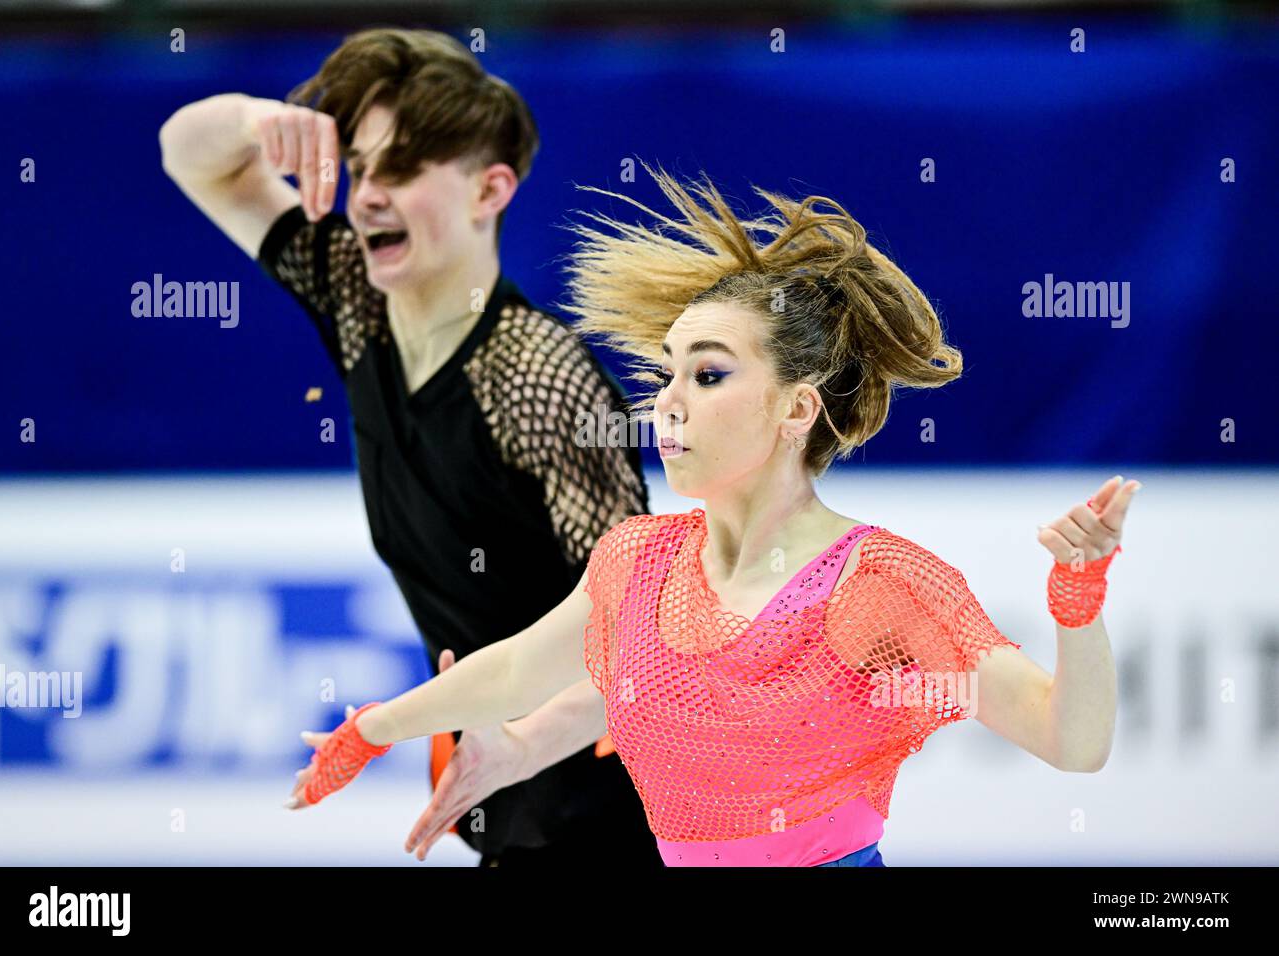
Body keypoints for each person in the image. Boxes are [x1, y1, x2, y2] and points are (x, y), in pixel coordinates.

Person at [286, 162, 1138, 867]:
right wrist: (378, 730)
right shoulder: (639, 561)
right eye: (665, 376)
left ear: (796, 409)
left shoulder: (878, 584)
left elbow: (1074, 740)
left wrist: (1078, 602)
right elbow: (526, 672)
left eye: (709, 374)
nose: (667, 405)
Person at [159, 28, 661, 867]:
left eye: (401, 170)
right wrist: (258, 123)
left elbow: (639, 630)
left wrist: (524, 743)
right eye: (360, 167)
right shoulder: (358, 296)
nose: (367, 197)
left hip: (622, 819)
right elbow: (187, 152)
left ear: (488, 190)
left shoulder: (535, 377)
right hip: (508, 804)